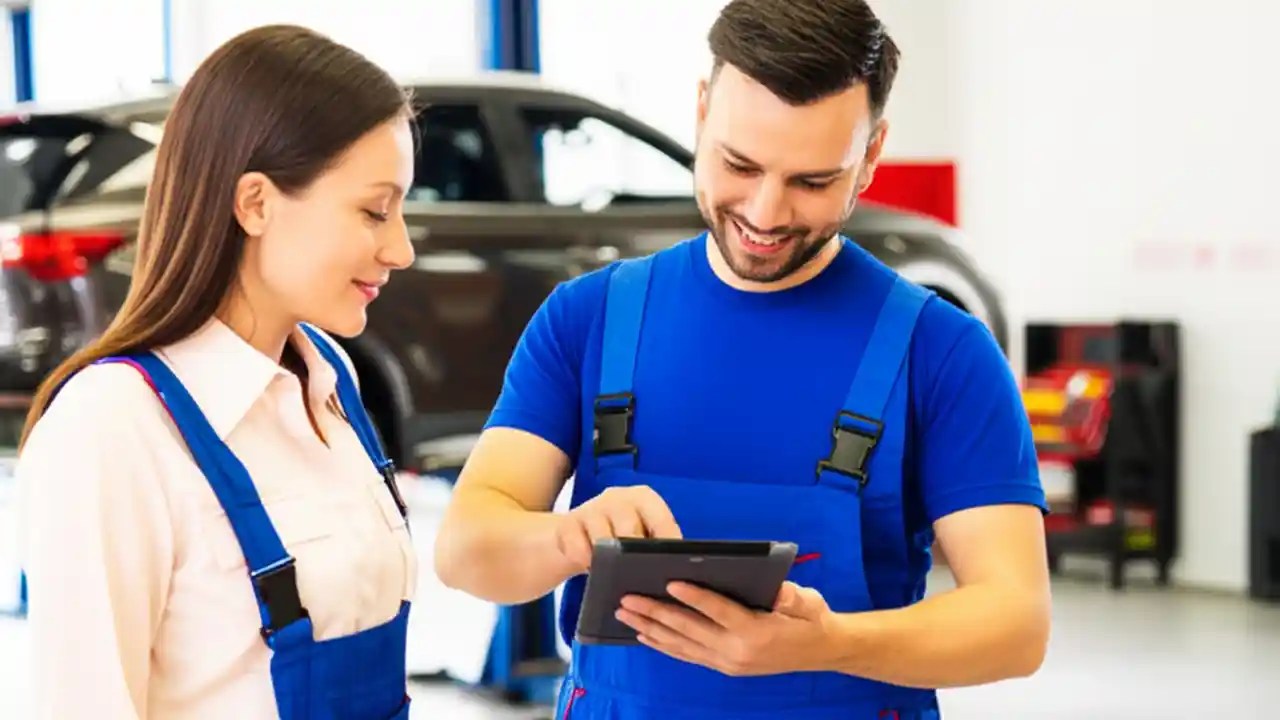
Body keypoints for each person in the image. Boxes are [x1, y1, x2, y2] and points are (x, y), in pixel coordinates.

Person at [434, 0, 1052, 718]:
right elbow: (466, 549)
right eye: (739, 164)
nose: (764, 212)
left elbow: (1016, 622)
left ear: (871, 155)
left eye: (812, 181)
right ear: (701, 112)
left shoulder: (941, 352)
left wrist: (828, 644)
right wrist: (567, 536)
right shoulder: (588, 319)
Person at [16, 25, 418, 720]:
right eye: (374, 211)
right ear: (255, 202)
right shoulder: (112, 428)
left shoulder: (333, 380)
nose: (402, 248)